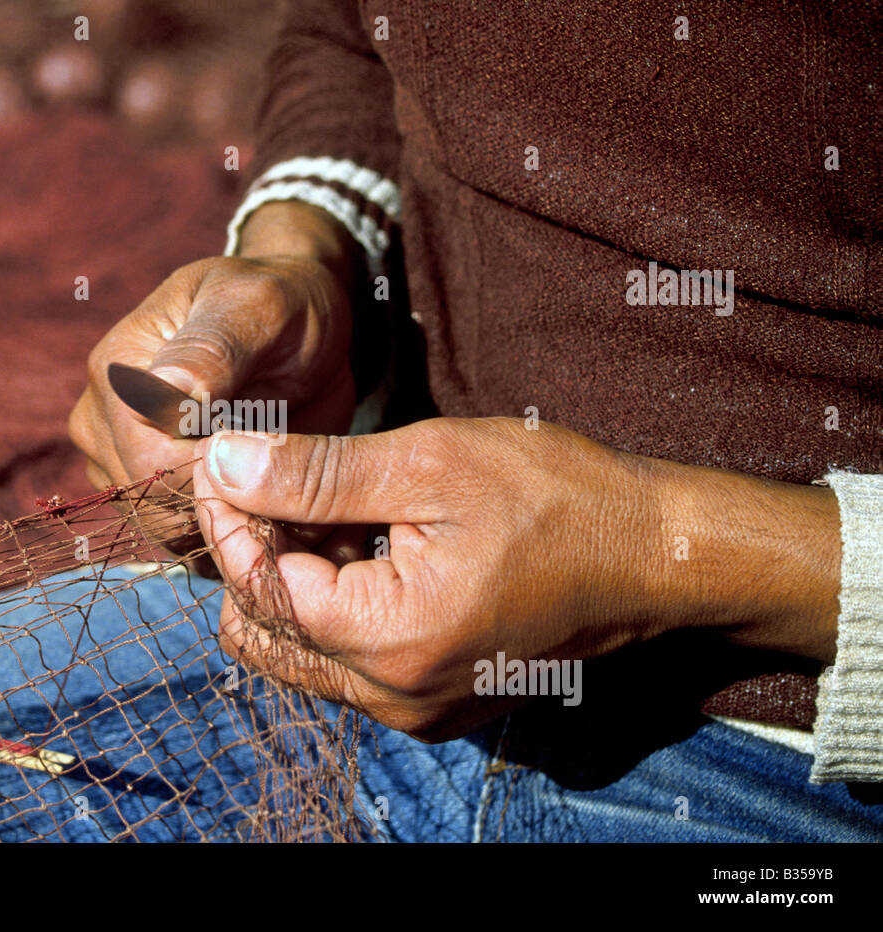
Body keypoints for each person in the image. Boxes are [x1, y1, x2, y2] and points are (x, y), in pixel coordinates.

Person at [69, 1, 883, 839]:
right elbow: (351, 35)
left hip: (789, 773)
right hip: (357, 624)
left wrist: (653, 545)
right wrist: (308, 252)